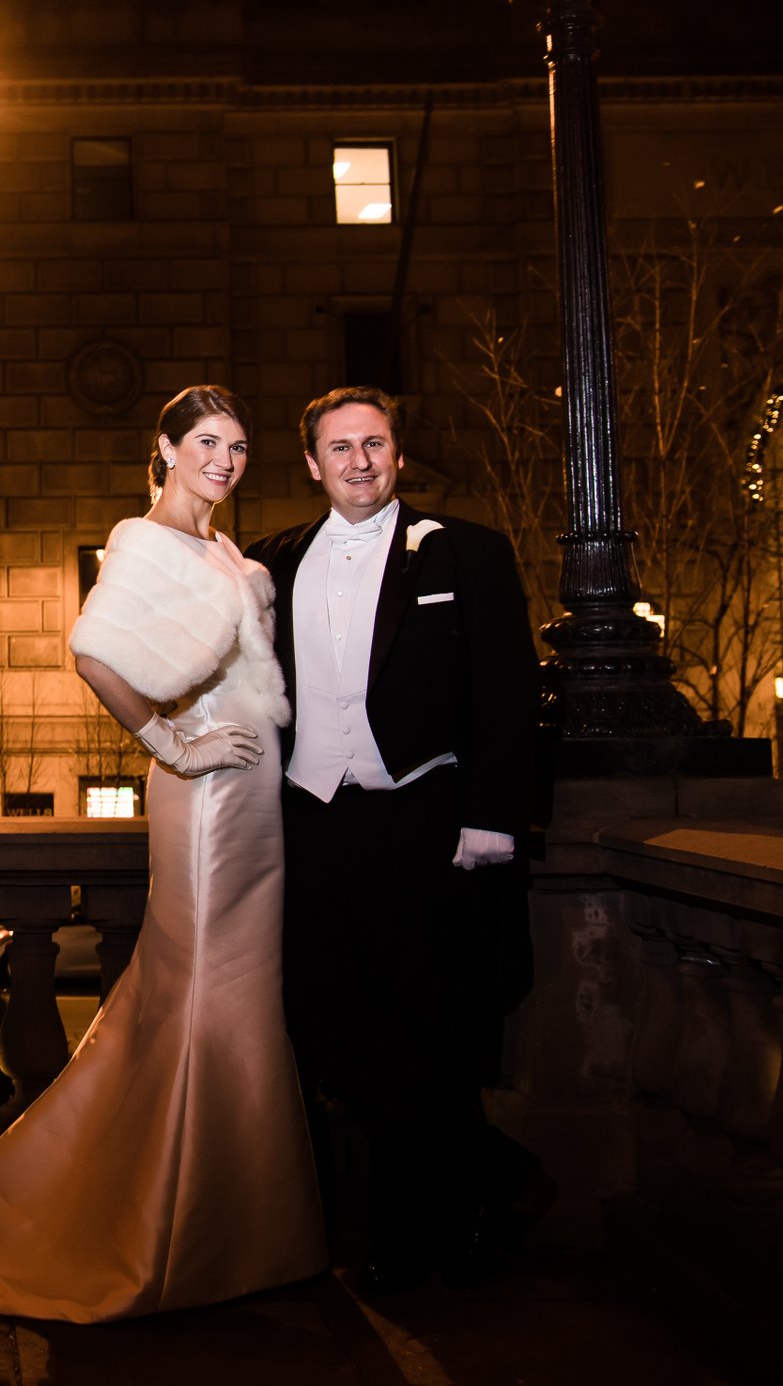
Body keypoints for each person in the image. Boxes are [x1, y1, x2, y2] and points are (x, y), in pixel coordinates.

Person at [0, 386, 327, 1321]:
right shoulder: (142, 539)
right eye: (208, 442)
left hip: (255, 792)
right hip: (209, 792)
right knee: (201, 988)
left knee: (237, 992)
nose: (224, 460)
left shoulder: (224, 549)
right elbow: (92, 651)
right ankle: (178, 1227)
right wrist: (174, 745)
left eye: (238, 446)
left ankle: (237, 1220)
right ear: (168, 448)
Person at [246, 386, 543, 1296]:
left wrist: (493, 817)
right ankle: (493, 1179)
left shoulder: (469, 553)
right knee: (329, 1025)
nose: (359, 461)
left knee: (426, 1026)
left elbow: (506, 695)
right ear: (312, 463)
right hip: (313, 824)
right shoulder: (272, 563)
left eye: (373, 443)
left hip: (421, 821)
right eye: (340, 447)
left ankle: (417, 1231)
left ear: (398, 454)